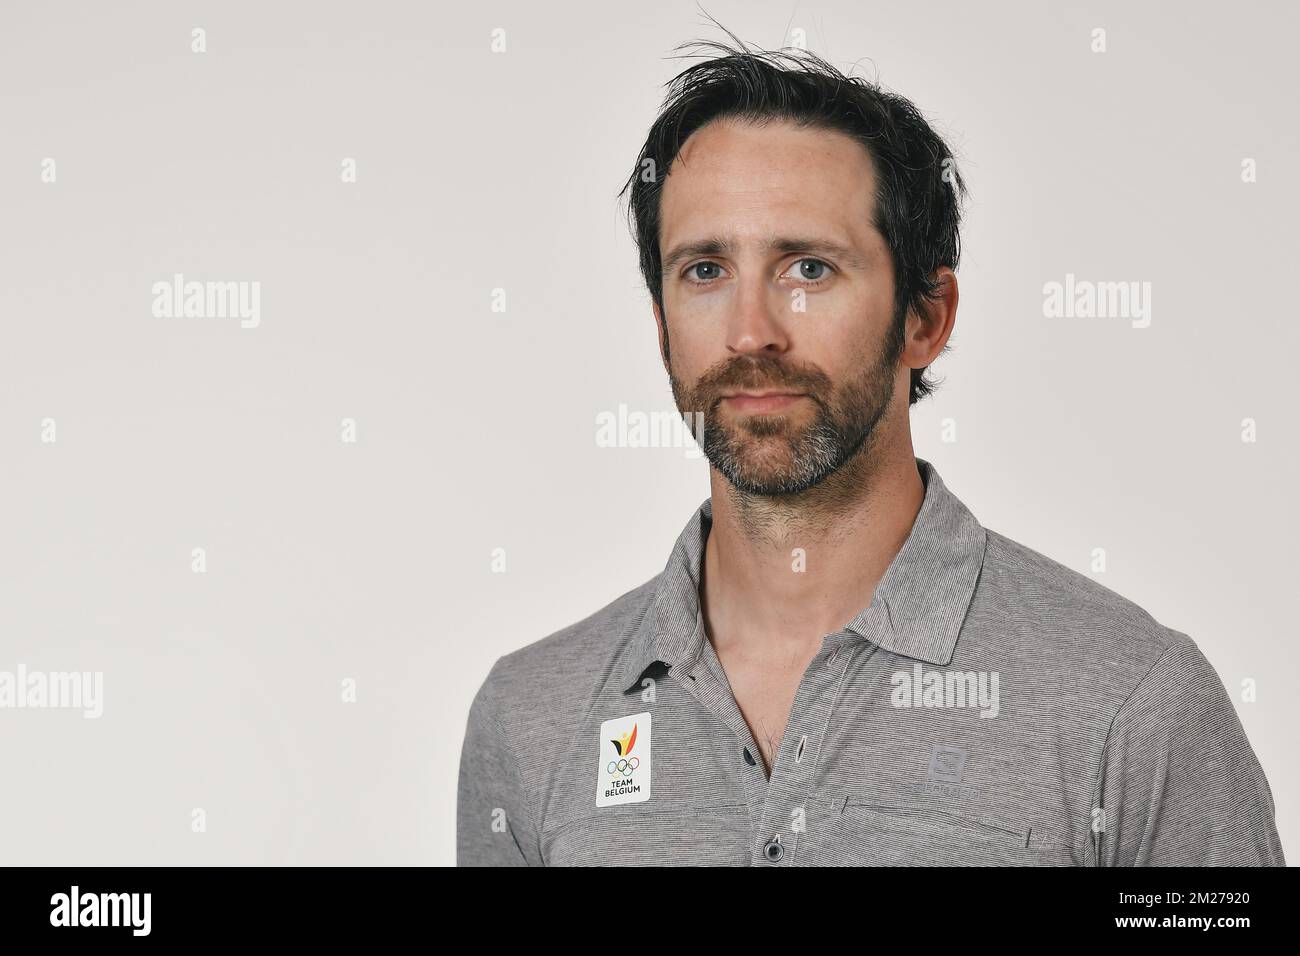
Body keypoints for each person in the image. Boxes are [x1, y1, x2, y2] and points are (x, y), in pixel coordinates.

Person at [456, 36, 1284, 866]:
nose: (751, 332)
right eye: (705, 270)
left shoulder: (1131, 704)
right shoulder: (533, 716)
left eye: (809, 268)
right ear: (662, 321)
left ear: (926, 318)